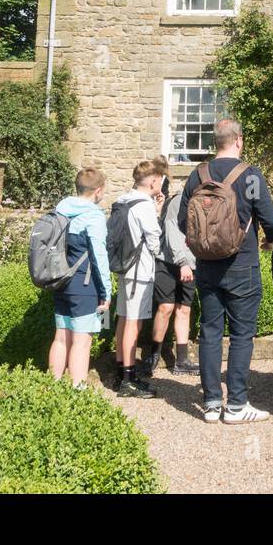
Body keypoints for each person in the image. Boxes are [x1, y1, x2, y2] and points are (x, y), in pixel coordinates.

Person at [177, 118, 273, 424]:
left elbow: (184, 221)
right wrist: (269, 239)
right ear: (238, 140)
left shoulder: (197, 176)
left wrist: (205, 244)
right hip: (242, 263)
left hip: (207, 266)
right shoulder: (249, 175)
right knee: (241, 335)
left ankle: (210, 403)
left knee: (209, 333)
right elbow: (270, 218)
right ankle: (236, 404)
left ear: (215, 141)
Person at [49, 168, 112, 387]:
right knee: (82, 340)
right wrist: (106, 291)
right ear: (98, 191)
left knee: (60, 336)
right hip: (84, 284)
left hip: (60, 280)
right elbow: (99, 256)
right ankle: (77, 390)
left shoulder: (60, 209)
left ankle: (54, 386)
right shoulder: (93, 216)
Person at [112, 160, 165, 398]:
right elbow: (154, 241)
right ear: (153, 181)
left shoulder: (123, 200)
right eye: (160, 179)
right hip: (139, 271)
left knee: (123, 318)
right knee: (134, 323)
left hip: (124, 268)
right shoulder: (143, 205)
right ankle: (129, 380)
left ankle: (121, 370)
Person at [144, 169, 199, 378]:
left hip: (191, 263)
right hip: (168, 262)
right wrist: (183, 261)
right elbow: (172, 232)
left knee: (183, 310)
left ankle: (182, 360)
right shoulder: (178, 202)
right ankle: (154, 355)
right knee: (165, 307)